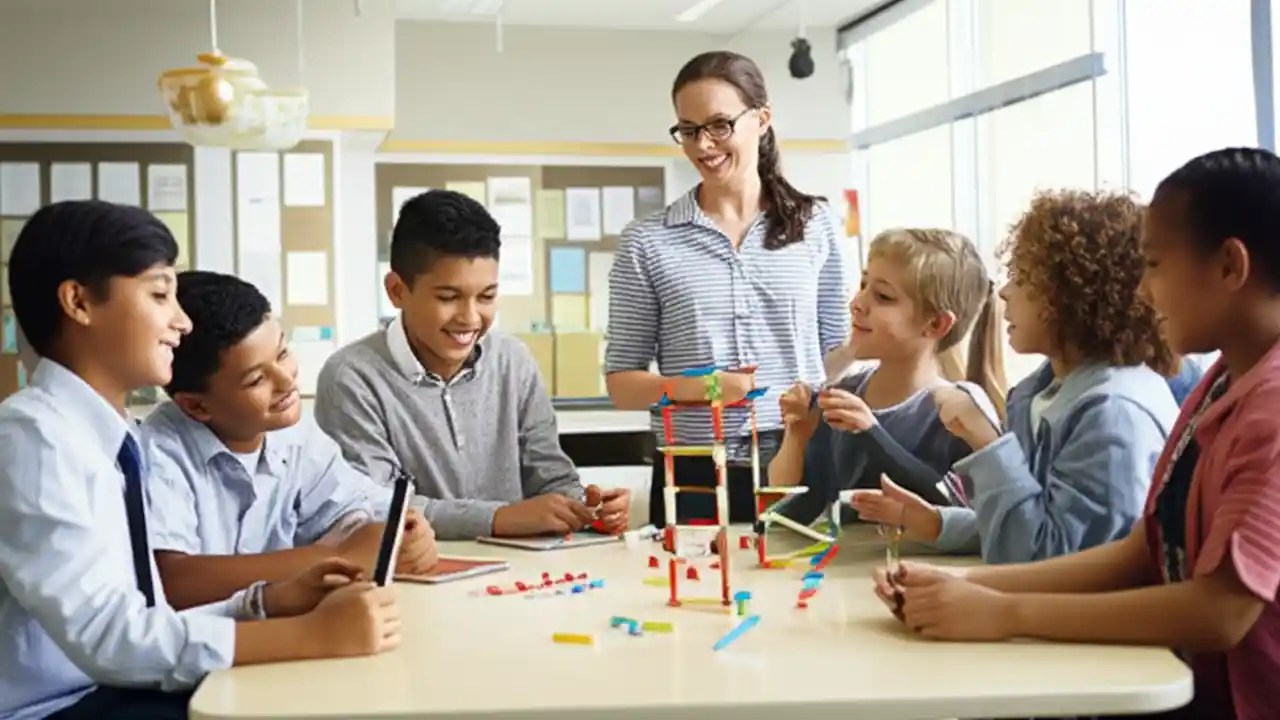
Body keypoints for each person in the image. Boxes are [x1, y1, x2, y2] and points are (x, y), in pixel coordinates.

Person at [874, 147, 1280, 720]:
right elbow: (1150, 547)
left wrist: (1003, 614)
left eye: (1156, 266)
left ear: (1230, 267)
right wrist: (967, 585)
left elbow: (1221, 612)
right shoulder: (1220, 382)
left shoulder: (1270, 408)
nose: (1142, 292)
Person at [0, 201, 399, 720]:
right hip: (57, 708)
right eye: (160, 294)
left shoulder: (107, 436)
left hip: (112, 688)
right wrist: (306, 634)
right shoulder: (34, 439)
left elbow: (143, 618)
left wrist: (266, 603)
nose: (181, 322)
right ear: (79, 301)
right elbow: (110, 637)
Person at [852, 189, 1179, 563]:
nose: (1006, 292)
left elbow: (1049, 559)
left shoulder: (1113, 414)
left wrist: (987, 443)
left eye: (1024, 277)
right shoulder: (1043, 392)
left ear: (1074, 293)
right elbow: (1025, 518)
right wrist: (937, 523)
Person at [604, 50, 851, 527]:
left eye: (719, 124)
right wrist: (705, 387)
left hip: (799, 456)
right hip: (693, 468)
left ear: (762, 120)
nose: (704, 145)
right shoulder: (647, 242)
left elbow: (833, 358)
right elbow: (622, 387)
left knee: (806, 596)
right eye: (689, 129)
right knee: (692, 598)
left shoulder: (816, 226)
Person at [315, 190, 629, 541]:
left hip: (520, 576)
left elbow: (550, 477)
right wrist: (498, 518)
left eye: (487, 297)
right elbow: (376, 507)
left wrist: (588, 507)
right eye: (448, 298)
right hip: (416, 579)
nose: (469, 318)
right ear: (397, 291)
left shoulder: (514, 361)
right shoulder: (352, 378)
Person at [145, 270, 438, 611]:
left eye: (283, 353)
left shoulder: (294, 436)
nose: (286, 382)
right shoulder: (160, 452)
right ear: (197, 405)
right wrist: (334, 557)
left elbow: (369, 511)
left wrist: (409, 534)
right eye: (256, 379)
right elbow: (174, 581)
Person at [767, 228, 1004, 527]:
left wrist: (872, 434)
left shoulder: (958, 408)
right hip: (842, 570)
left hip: (920, 570)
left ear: (935, 324)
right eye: (863, 285)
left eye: (882, 296)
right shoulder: (844, 393)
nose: (857, 303)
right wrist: (797, 434)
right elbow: (791, 509)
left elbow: (951, 509)